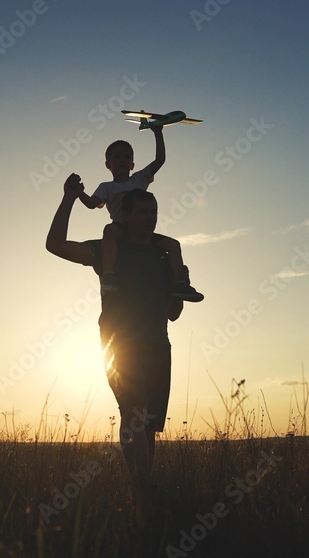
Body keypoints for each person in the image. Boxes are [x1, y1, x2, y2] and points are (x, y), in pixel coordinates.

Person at [46, 174, 187, 490]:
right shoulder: (108, 249)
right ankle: (145, 484)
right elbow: (54, 245)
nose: (149, 219)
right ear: (125, 215)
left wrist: (179, 287)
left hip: (158, 346)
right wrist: (69, 198)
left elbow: (173, 314)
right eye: (141, 212)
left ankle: (141, 484)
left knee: (146, 425)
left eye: (153, 213)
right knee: (134, 411)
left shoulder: (164, 257)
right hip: (118, 344)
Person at [74, 124, 203, 302]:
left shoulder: (139, 179)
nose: (122, 160)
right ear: (108, 164)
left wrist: (158, 133)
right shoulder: (107, 187)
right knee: (109, 230)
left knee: (173, 245)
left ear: (132, 164)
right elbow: (91, 203)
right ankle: (109, 274)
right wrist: (78, 193)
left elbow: (160, 160)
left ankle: (179, 283)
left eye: (127, 157)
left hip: (143, 230)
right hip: (121, 229)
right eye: (117, 157)